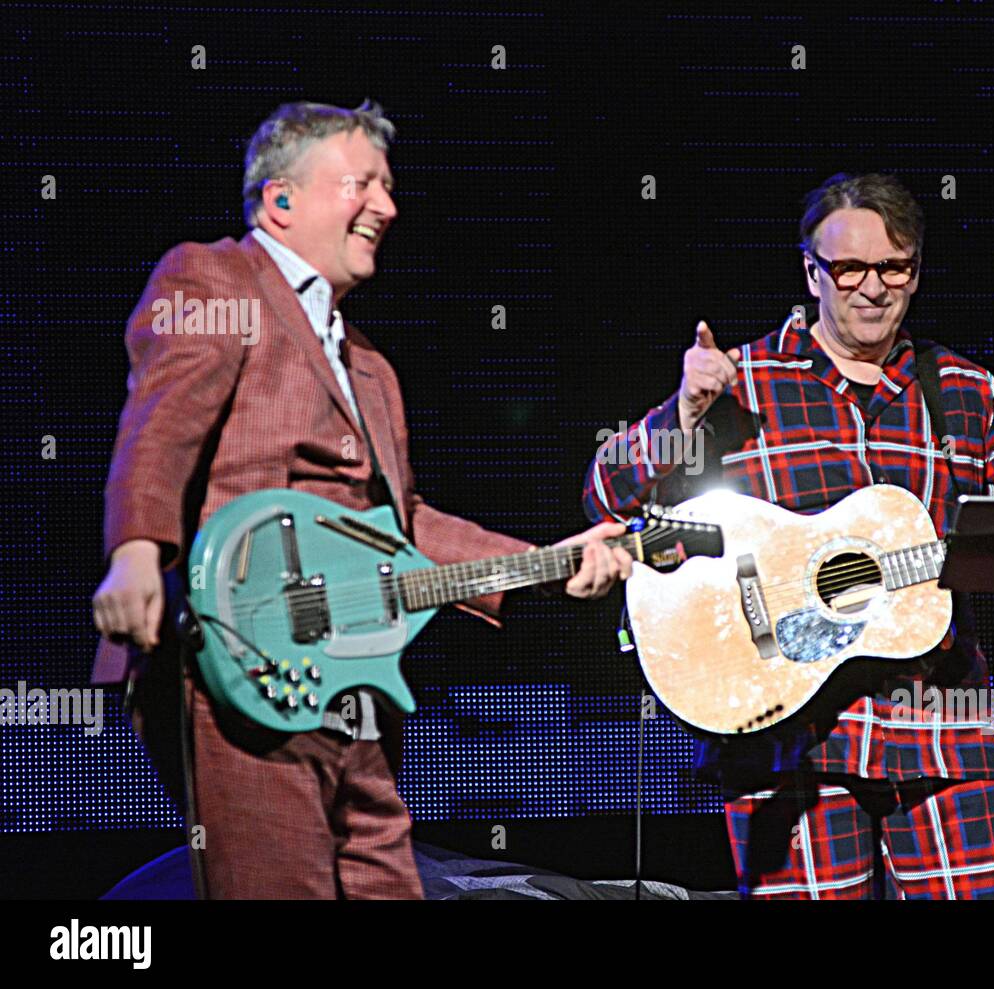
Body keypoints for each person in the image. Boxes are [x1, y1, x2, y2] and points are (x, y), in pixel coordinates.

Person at [91, 100, 632, 899]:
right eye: (363, 184)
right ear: (281, 199)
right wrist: (136, 550)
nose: (387, 206)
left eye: (389, 186)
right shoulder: (218, 278)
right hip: (238, 659)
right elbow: (160, 426)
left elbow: (403, 527)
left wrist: (551, 564)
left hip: (351, 674)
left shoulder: (371, 369)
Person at [583, 172, 994, 899]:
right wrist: (685, 411)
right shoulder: (744, 383)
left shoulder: (963, 389)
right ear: (810, 271)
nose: (872, 288)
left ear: (915, 271)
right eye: (849, 268)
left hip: (940, 734)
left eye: (894, 268)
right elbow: (607, 494)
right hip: (785, 735)